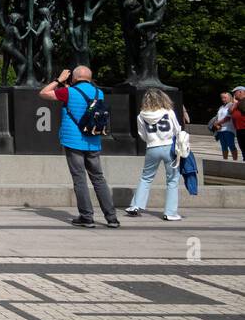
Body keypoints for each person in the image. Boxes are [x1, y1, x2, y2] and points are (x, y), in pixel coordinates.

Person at [39, 66, 118, 228]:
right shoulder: (99, 93)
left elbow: (43, 93)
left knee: (79, 178)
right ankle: (111, 217)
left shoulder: (68, 92)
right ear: (90, 77)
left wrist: (58, 80)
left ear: (74, 78)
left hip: (74, 141)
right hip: (93, 140)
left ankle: (86, 216)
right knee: (98, 178)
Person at [125, 89, 184, 221]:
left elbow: (142, 135)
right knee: (172, 180)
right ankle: (170, 212)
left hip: (152, 147)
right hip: (169, 146)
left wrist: (152, 140)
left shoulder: (141, 115)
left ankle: (135, 205)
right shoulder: (168, 112)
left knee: (146, 178)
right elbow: (177, 129)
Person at [211, 91, 240, 160]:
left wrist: (217, 123)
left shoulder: (231, 105)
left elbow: (228, 118)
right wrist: (216, 124)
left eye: (225, 98)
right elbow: (218, 117)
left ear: (230, 97)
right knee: (223, 146)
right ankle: (225, 160)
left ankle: (235, 161)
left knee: (231, 145)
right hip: (220, 129)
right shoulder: (221, 107)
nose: (223, 99)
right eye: (222, 98)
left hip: (228, 129)